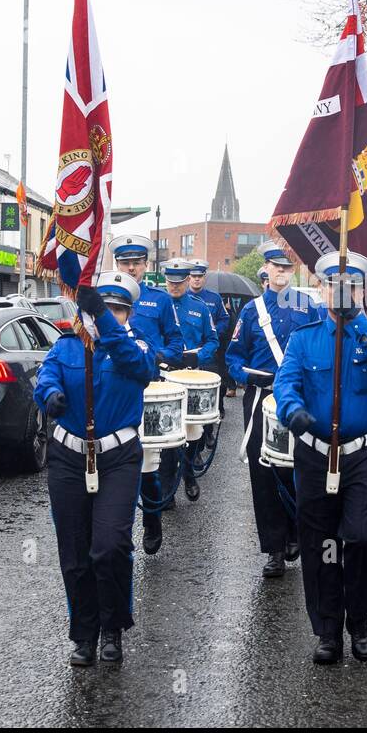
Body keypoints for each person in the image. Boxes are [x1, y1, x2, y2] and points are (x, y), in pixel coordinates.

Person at [275, 250, 367, 664]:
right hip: (314, 455)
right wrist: (292, 410)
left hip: (363, 455)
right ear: (322, 289)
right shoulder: (304, 337)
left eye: (350, 286)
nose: (340, 292)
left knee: (360, 537)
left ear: (362, 291)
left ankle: (359, 620)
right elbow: (286, 382)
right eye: (333, 285)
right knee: (321, 543)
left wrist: (359, 322)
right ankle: (328, 629)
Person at [33, 272, 158, 667]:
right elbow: (48, 373)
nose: (110, 315)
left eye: (118, 310)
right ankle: (84, 634)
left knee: (110, 546)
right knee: (74, 552)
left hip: (118, 457)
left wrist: (102, 318)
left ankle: (112, 628)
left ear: (127, 314)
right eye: (102, 307)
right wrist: (50, 394)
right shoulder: (68, 346)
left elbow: (139, 367)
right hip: (69, 457)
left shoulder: (134, 347)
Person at [226, 240, 323, 578]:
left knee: (296, 468)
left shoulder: (307, 305)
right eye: (276, 266)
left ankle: (296, 530)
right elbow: (234, 356)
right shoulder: (252, 311)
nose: (281, 272)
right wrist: (242, 375)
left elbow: (321, 345)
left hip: (297, 397)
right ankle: (274, 549)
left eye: (287, 267)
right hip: (260, 398)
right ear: (265, 269)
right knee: (263, 472)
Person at [109, 233, 184, 554]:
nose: (131, 268)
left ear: (145, 265)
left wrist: (155, 355)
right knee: (113, 459)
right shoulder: (105, 299)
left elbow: (176, 345)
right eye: (125, 262)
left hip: (149, 387)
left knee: (147, 462)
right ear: (117, 264)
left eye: (136, 263)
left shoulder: (160, 300)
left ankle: (152, 517)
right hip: (111, 389)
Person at [159, 258, 219, 502]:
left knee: (193, 430)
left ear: (187, 280)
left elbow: (213, 340)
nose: (175, 286)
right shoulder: (157, 305)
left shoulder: (199, 307)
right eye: (171, 282)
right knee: (165, 431)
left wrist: (198, 357)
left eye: (180, 281)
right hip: (164, 374)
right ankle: (168, 487)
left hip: (191, 375)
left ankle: (188, 471)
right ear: (165, 281)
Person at [188, 261, 229, 417]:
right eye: (193, 276)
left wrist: (211, 332)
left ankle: (216, 410)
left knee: (212, 382)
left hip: (210, 347)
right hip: (190, 347)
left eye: (200, 276)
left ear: (204, 277)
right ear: (188, 278)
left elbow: (224, 319)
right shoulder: (182, 297)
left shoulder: (214, 298)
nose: (197, 279)